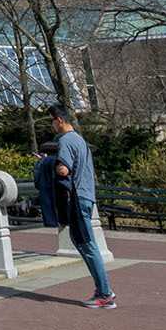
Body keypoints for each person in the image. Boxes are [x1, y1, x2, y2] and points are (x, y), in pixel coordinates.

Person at [49, 103, 114, 309]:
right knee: (83, 242)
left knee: (87, 244)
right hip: (86, 196)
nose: (51, 125)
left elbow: (63, 170)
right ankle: (103, 289)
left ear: (59, 120)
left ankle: (105, 293)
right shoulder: (79, 139)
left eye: (51, 120)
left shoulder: (66, 141)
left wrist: (48, 163)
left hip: (77, 199)